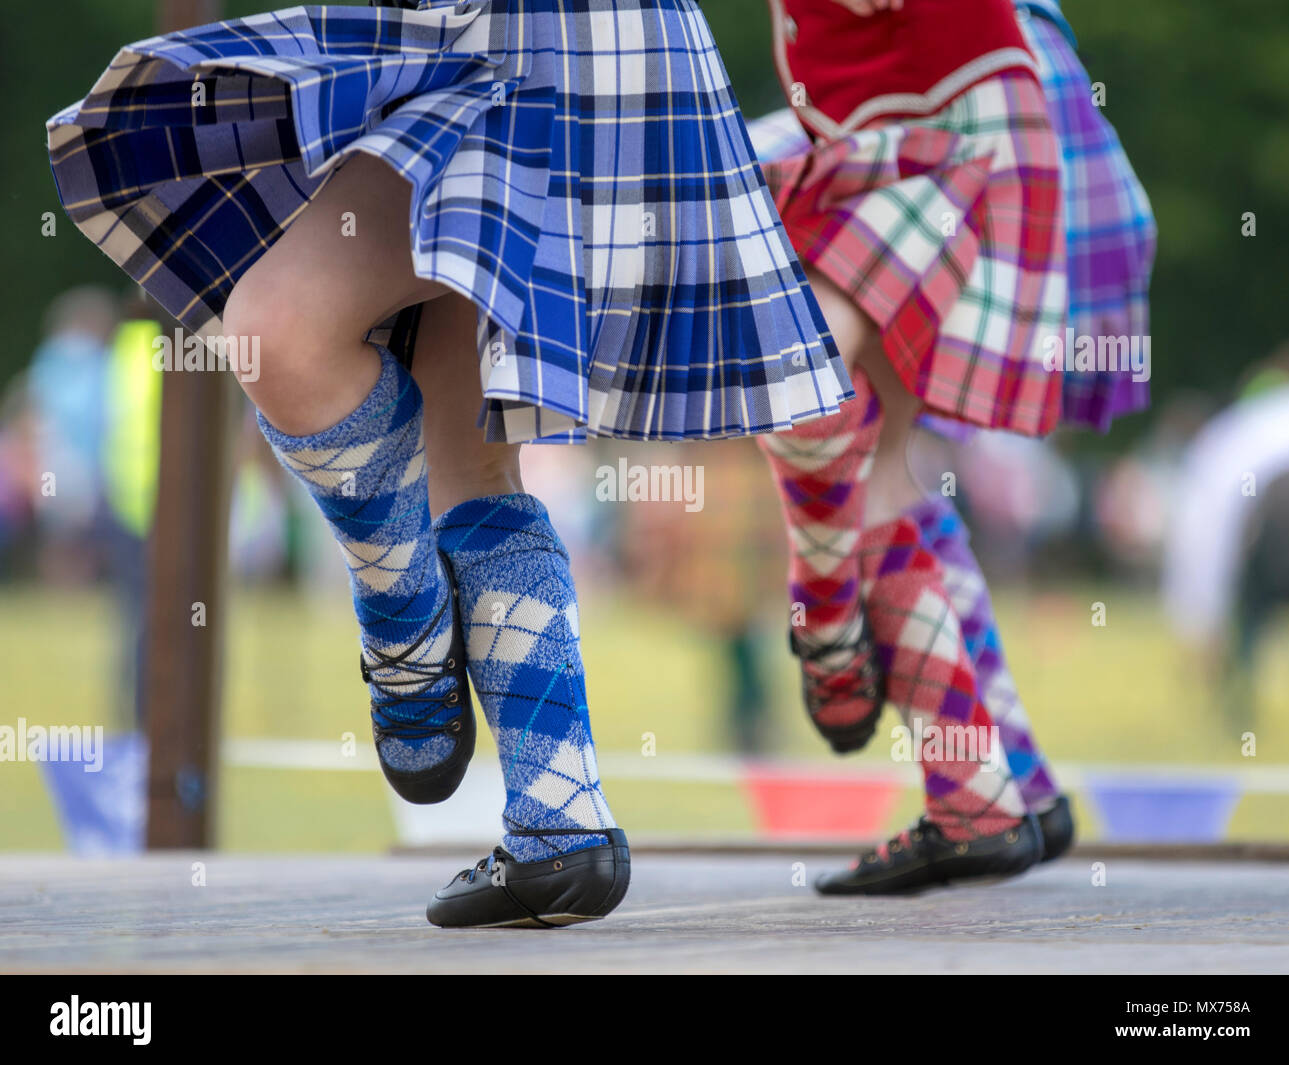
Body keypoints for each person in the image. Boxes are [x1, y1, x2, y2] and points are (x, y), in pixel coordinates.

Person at [46, 0, 851, 927]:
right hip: (528, 44)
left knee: (279, 333)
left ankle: (404, 631)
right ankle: (563, 830)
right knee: (468, 457)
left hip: (533, 42)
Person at [746, 0, 1154, 895]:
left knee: (802, 385)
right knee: (875, 462)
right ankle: (1000, 785)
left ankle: (832, 631)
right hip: (938, 115)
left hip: (947, 127)